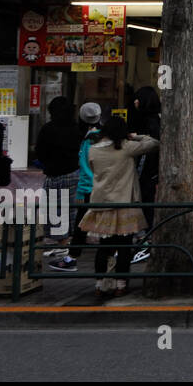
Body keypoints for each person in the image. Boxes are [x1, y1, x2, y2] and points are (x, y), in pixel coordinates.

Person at [79, 116, 157, 299]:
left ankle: (101, 285)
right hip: (124, 203)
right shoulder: (125, 147)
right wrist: (135, 136)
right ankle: (120, 285)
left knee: (104, 247)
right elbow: (153, 143)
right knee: (124, 247)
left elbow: (91, 168)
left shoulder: (93, 150)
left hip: (101, 203)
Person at [56, 103, 101, 272]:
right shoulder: (104, 137)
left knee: (81, 224)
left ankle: (72, 258)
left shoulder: (87, 140)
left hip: (89, 188)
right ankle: (115, 252)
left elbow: (85, 169)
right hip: (104, 187)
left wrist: (81, 191)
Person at [35, 97, 83, 245]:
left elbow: (39, 152)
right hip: (74, 173)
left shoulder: (47, 128)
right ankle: (69, 240)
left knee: (54, 210)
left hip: (53, 174)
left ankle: (58, 241)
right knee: (71, 210)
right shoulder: (77, 129)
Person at [131, 86, 162, 261]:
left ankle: (147, 239)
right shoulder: (154, 118)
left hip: (148, 170)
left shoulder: (149, 121)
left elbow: (154, 143)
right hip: (151, 171)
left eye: (138, 98)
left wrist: (136, 137)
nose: (135, 101)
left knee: (146, 202)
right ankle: (146, 238)